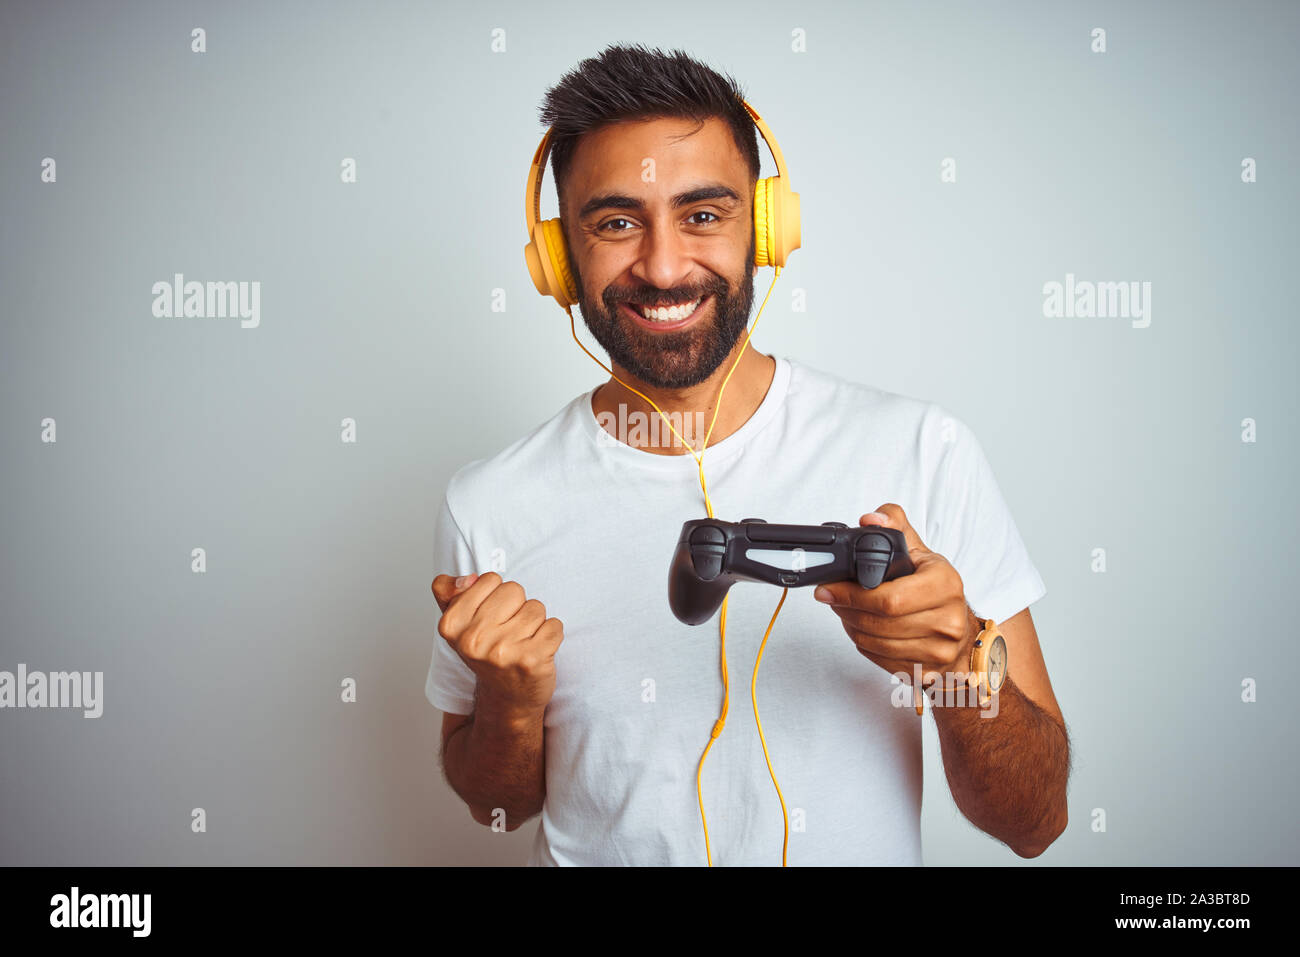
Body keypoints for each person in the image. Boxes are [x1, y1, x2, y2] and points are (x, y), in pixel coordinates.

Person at [425, 43, 1070, 866]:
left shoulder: (923, 451)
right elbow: (496, 806)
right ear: (558, 258)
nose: (663, 266)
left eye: (703, 214)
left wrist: (962, 669)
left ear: (766, 227)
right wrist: (510, 708)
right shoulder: (488, 504)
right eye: (617, 222)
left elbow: (1036, 823)